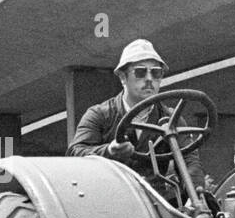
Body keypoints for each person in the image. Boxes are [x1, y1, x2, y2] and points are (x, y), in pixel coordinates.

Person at [67, 38, 206, 204]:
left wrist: (195, 196)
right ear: (122, 77)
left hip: (156, 206)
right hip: (105, 204)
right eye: (140, 72)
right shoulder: (99, 115)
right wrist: (109, 151)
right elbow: (76, 153)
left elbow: (189, 160)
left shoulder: (171, 120)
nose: (149, 79)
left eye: (156, 73)